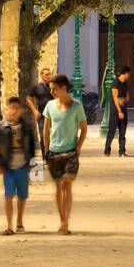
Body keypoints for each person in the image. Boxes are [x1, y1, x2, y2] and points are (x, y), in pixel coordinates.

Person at [41, 73, 87, 234]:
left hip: (70, 152)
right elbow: (45, 130)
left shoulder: (76, 106)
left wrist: (78, 147)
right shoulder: (50, 106)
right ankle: (62, 219)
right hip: (54, 152)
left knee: (67, 184)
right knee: (58, 187)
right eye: (50, 89)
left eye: (54, 89)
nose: (52, 92)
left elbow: (84, 129)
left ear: (64, 88)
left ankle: (66, 221)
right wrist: (46, 150)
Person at [0, 97, 36, 235]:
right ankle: (9, 225)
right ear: (6, 109)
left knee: (23, 196)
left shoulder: (27, 127)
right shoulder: (0, 127)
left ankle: (19, 221)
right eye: (11, 107)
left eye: (16, 108)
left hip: (23, 166)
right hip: (8, 167)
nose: (13, 111)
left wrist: (36, 170)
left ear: (21, 111)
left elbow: (32, 148)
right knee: (8, 195)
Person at [104, 65, 132, 156]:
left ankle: (122, 151)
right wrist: (119, 111)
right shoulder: (115, 83)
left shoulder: (125, 84)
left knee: (122, 132)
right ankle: (107, 150)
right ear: (125, 73)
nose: (129, 76)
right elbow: (115, 98)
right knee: (111, 131)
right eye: (128, 74)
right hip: (115, 112)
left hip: (124, 110)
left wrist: (123, 99)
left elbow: (127, 98)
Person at [26, 67, 54, 147]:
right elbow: (28, 98)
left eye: (50, 74)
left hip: (53, 115)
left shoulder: (53, 86)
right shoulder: (36, 87)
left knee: (54, 136)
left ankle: (53, 156)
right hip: (41, 115)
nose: (49, 76)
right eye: (46, 74)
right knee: (43, 136)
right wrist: (34, 111)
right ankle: (45, 157)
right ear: (41, 75)